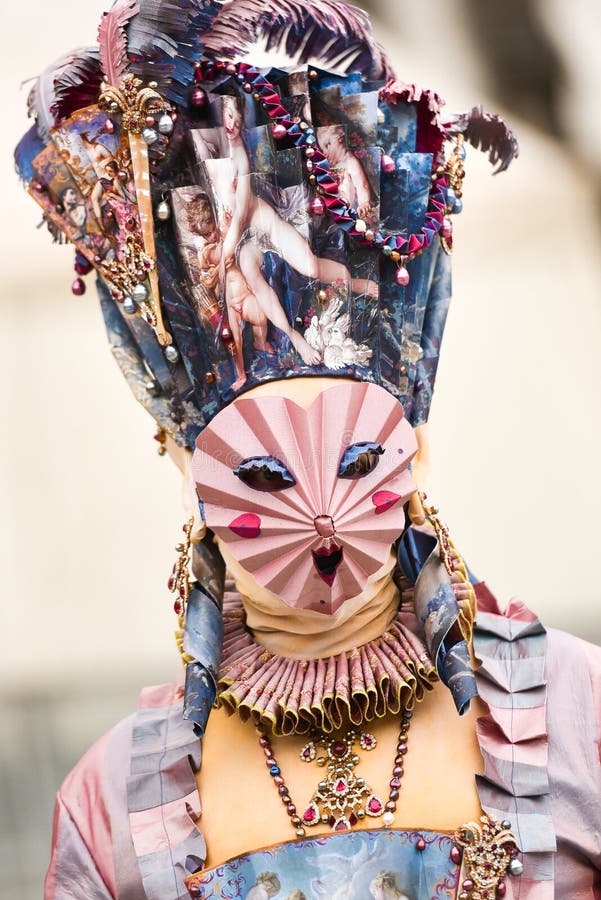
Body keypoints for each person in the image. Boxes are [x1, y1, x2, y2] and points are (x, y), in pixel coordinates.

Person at [15, 1, 601, 898]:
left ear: (417, 450)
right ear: (182, 466)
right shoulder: (112, 805)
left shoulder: (575, 714)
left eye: (356, 459)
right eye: (262, 472)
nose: (319, 515)